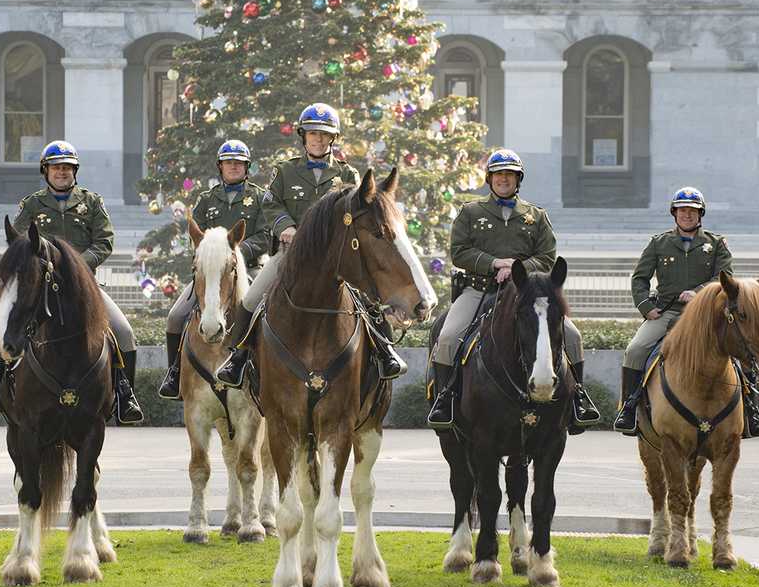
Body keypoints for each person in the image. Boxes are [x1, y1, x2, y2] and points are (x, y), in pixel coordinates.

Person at [214, 102, 407, 388]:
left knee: (369, 300)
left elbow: (357, 213)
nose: (317, 139)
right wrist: (286, 228)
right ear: (303, 136)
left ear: (333, 139)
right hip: (292, 254)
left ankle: (386, 351)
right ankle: (237, 357)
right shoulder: (285, 171)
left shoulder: (348, 174)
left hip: (337, 258)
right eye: (312, 134)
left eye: (324, 134)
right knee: (252, 298)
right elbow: (270, 203)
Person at [0, 140, 143, 424]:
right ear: (45, 171)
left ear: (75, 171)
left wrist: (78, 267)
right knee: (3, 327)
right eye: (56, 167)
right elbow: (19, 242)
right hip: (39, 287)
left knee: (123, 332)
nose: (62, 172)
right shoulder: (32, 204)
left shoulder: (92, 203)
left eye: (67, 168)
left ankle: (125, 394)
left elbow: (105, 242)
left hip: (84, 288)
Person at [426, 149, 601, 432]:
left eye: (509, 175)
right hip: (480, 290)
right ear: (489, 179)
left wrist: (518, 267)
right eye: (498, 175)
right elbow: (459, 252)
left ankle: (577, 398)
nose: (503, 180)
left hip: (526, 294)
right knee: (447, 337)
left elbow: (547, 256)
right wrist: (495, 264)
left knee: (572, 335)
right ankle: (444, 400)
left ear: (518, 179)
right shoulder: (470, 212)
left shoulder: (536, 215)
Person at [613, 186, 759, 437]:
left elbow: (725, 277)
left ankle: (751, 411)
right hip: (666, 312)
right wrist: (647, 307)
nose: (687, 215)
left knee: (736, 351)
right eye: (682, 210)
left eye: (693, 211)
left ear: (701, 214)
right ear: (674, 213)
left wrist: (699, 292)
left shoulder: (716, 244)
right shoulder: (659, 243)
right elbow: (639, 278)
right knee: (635, 350)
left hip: (706, 315)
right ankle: (629, 409)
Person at [158, 139, 270, 400]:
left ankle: (266, 373)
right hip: (210, 274)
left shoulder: (260, 198)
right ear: (220, 167)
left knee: (262, 316)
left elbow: (266, 235)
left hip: (248, 270)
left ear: (247, 167)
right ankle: (175, 373)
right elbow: (194, 237)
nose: (233, 167)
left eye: (239, 163)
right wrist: (209, 257)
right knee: (176, 316)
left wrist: (235, 255)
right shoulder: (206, 200)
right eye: (229, 162)